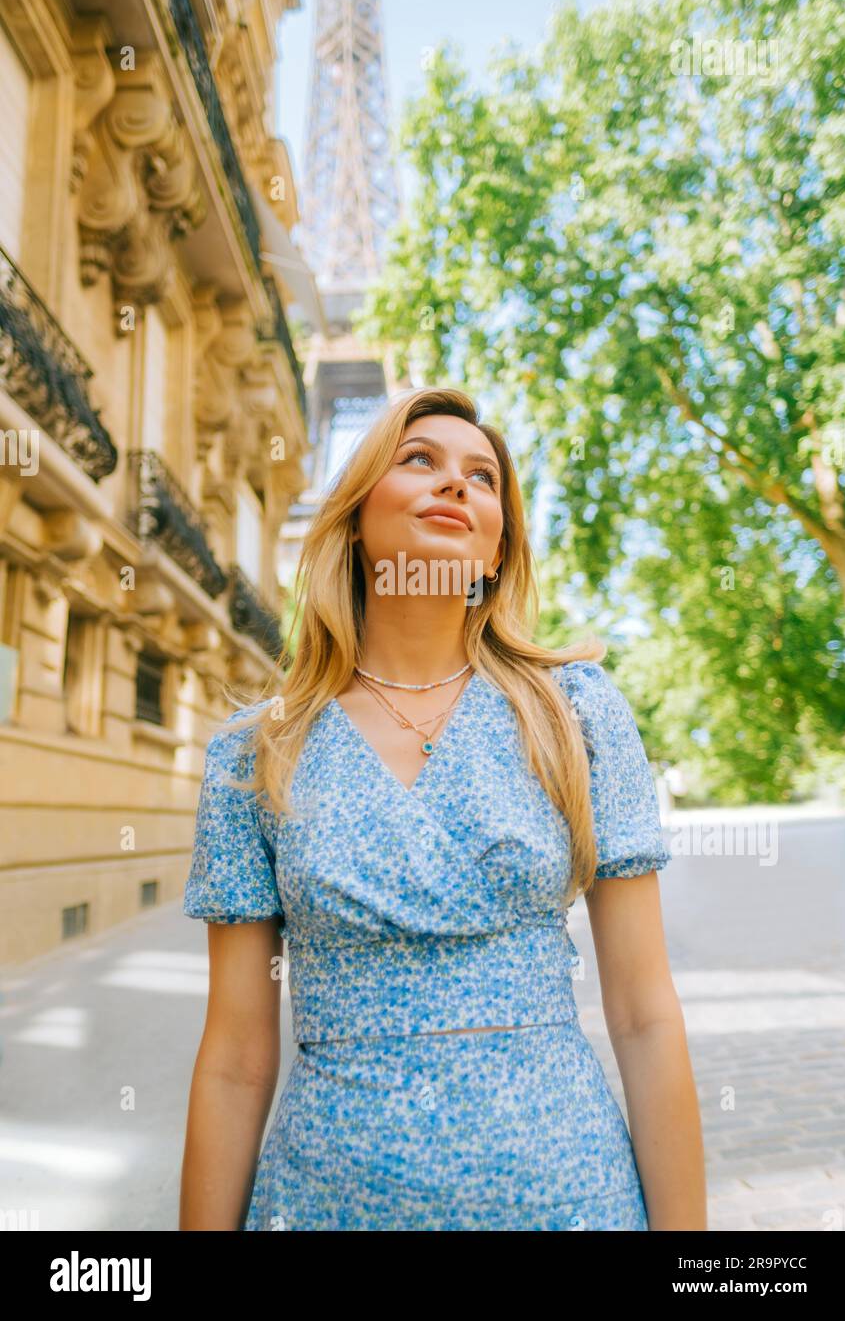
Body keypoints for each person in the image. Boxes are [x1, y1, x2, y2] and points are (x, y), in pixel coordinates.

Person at [179, 386, 707, 1231]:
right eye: (418, 460)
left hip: (567, 1198)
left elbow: (644, 1016)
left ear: (497, 549)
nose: (455, 485)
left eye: (483, 477)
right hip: (328, 1203)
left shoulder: (573, 712)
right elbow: (237, 1059)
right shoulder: (257, 750)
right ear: (354, 522)